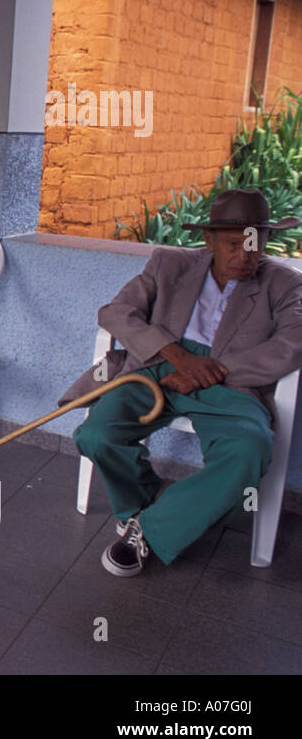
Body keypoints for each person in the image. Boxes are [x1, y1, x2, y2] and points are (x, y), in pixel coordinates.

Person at [61, 188, 302, 577]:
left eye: (256, 244)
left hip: (232, 382)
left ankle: (148, 531)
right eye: (233, 244)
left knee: (249, 448)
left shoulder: (283, 284)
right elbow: (116, 312)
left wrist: (210, 371)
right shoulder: (169, 264)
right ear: (209, 240)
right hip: (158, 367)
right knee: (96, 435)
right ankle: (146, 503)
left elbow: (293, 343)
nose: (246, 255)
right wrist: (178, 356)